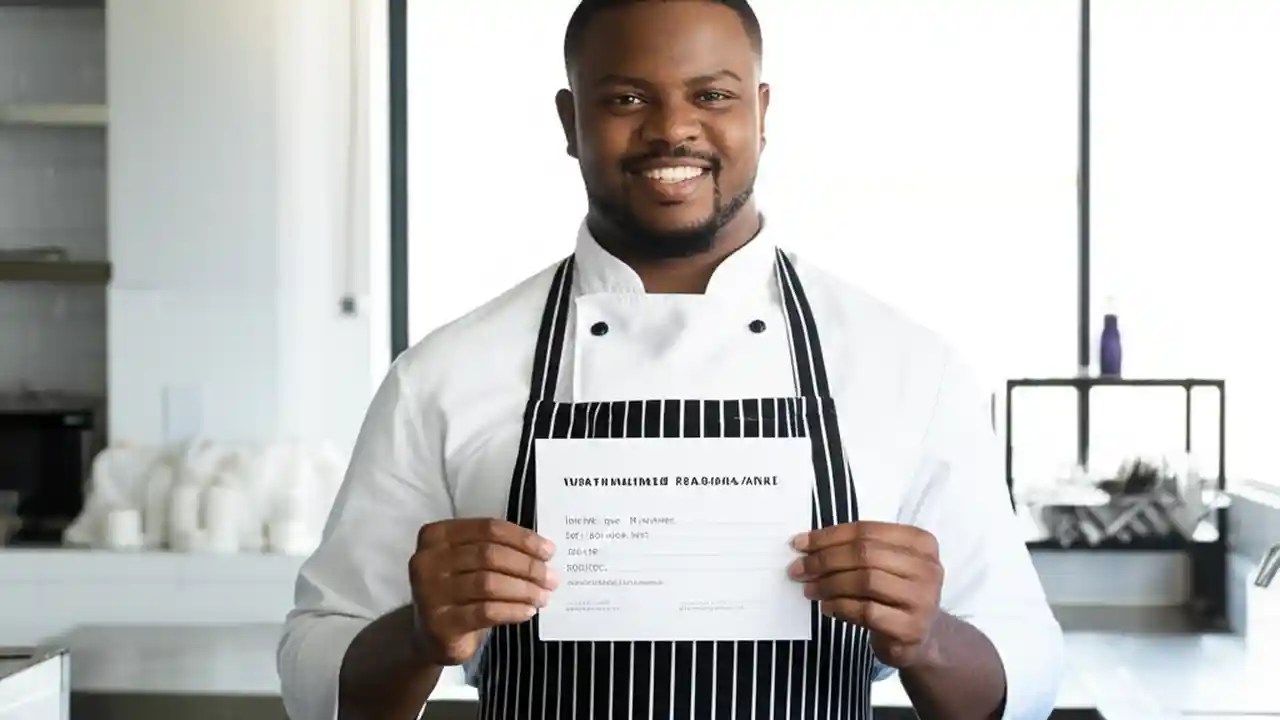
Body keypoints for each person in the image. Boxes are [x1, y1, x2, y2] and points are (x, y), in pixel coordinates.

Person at [278, 0, 1065, 718]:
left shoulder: (908, 367)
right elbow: (316, 675)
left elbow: (1023, 675)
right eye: (626, 99)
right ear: (570, 119)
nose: (671, 129)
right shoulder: (445, 375)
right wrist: (419, 634)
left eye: (712, 96)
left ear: (761, 113)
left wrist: (928, 640)